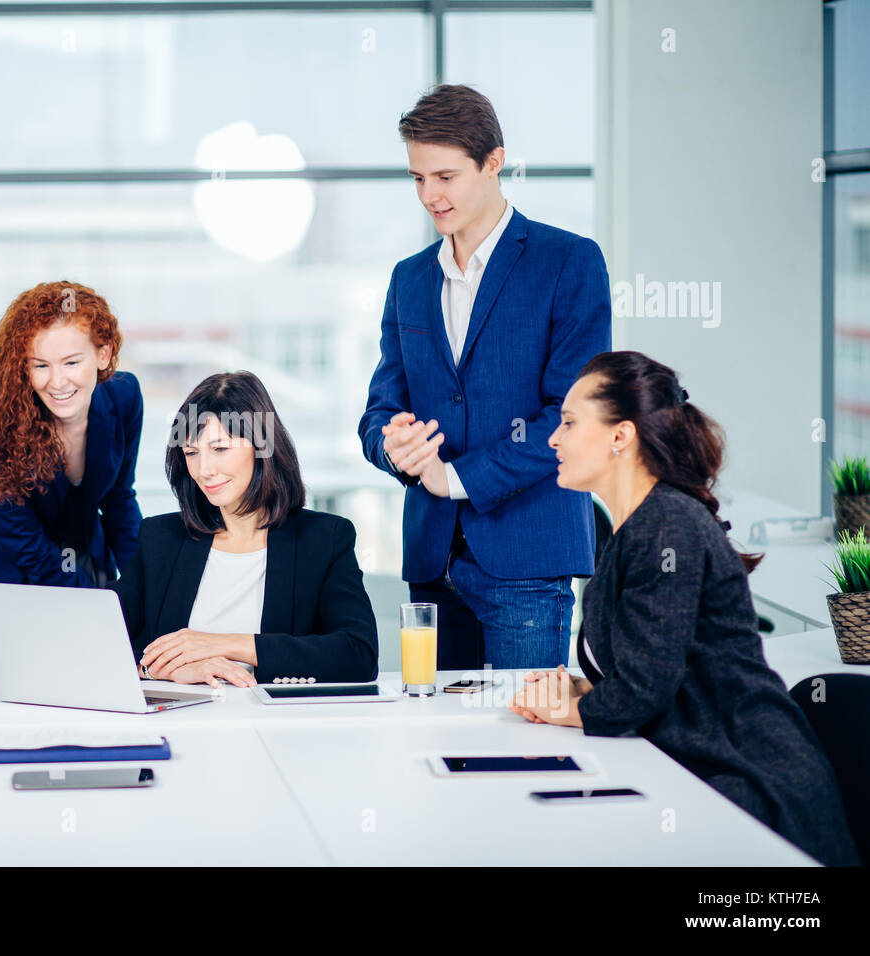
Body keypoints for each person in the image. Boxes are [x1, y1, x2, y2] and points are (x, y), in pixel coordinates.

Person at [509, 350, 859, 868]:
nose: (553, 439)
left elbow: (643, 690)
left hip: (749, 788)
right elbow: (644, 671)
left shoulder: (669, 526)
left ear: (620, 436)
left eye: (567, 422)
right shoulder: (636, 528)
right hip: (694, 768)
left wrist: (569, 709)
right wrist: (581, 690)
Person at [358, 84, 611, 672]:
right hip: (431, 563)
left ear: (493, 161)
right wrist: (391, 445)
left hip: (526, 558)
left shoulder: (568, 262)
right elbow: (379, 407)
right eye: (418, 178)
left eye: (445, 176)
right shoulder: (409, 279)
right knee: (437, 744)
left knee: (524, 747)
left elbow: (570, 416)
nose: (430, 195)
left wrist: (456, 478)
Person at [114, 371, 378, 688]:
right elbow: (98, 645)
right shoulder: (160, 538)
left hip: (278, 727)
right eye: (192, 453)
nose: (204, 470)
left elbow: (358, 655)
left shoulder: (324, 539)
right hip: (181, 725)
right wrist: (158, 670)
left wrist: (223, 643)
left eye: (220, 449)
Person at [0, 282, 142, 677]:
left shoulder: (124, 397)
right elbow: (29, 550)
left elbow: (120, 500)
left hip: (86, 572)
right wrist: (105, 611)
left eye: (72, 362)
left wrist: (143, 591)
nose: (57, 382)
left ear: (103, 355)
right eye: (40, 365)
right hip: (3, 591)